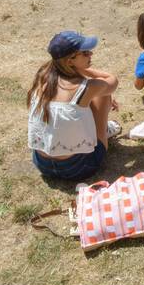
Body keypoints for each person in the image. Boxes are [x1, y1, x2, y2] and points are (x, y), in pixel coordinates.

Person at [26, 31, 120, 181]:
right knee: (103, 95)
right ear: (70, 61)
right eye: (85, 53)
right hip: (77, 168)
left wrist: (77, 70)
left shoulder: (42, 77)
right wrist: (84, 70)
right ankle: (104, 131)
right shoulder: (88, 87)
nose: (91, 54)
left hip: (42, 163)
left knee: (81, 102)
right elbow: (112, 80)